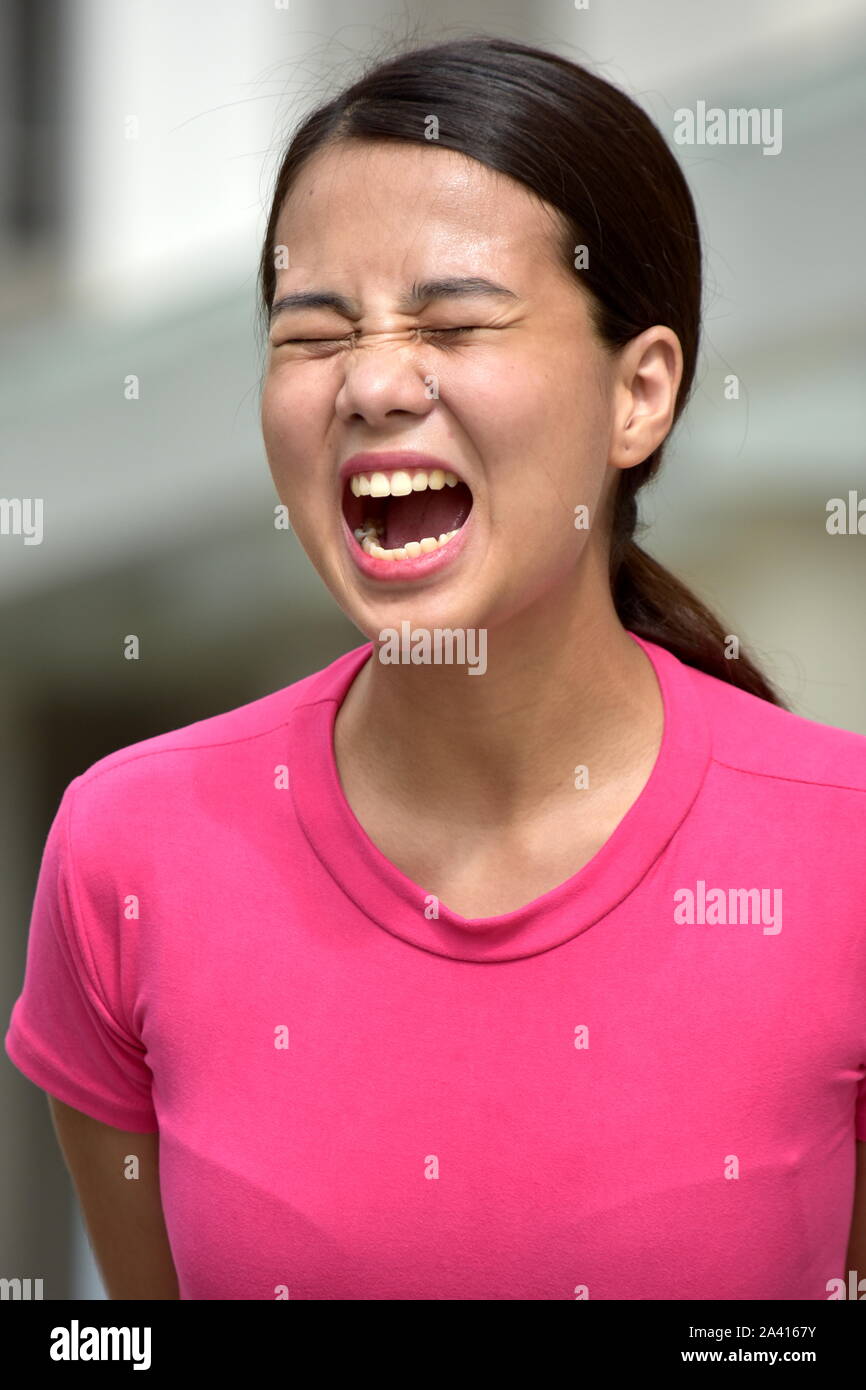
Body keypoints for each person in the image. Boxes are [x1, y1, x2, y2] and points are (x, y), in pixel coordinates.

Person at [6, 36, 866, 1301]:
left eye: (453, 321)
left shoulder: (839, 850)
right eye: (312, 334)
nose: (369, 382)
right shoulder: (127, 847)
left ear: (640, 393)